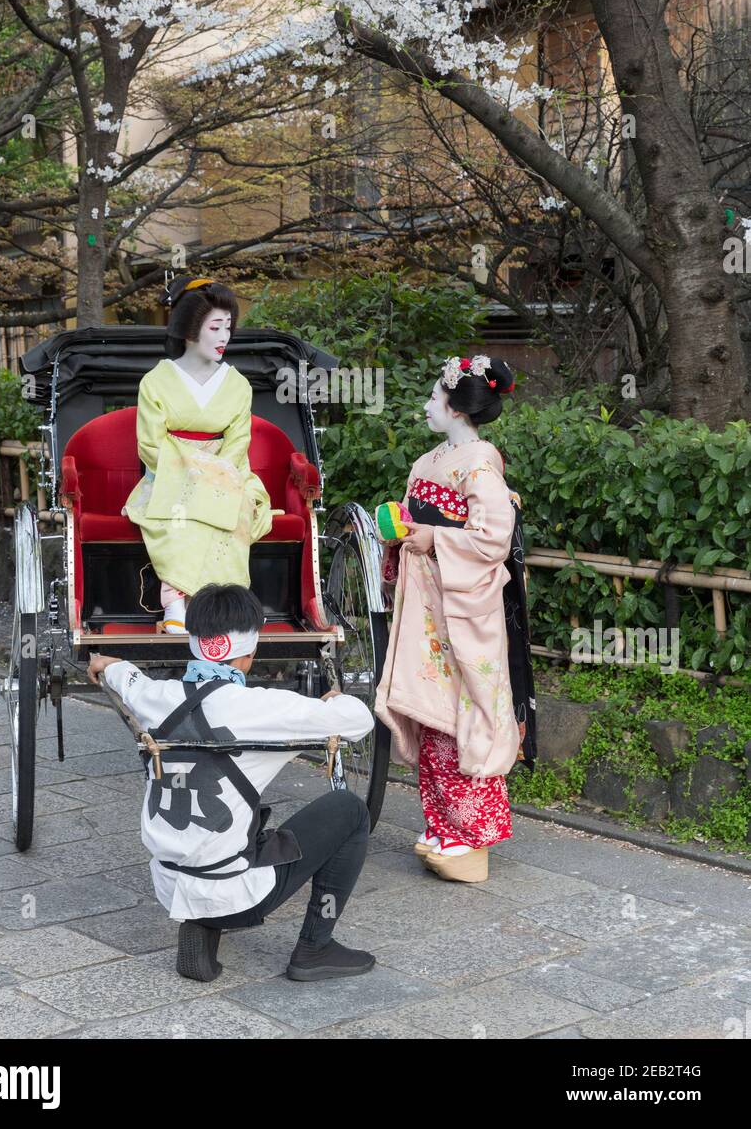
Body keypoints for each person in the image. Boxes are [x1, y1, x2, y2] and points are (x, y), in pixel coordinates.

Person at [87, 583, 377, 983]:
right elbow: (359, 721)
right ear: (250, 652)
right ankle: (315, 947)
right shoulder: (265, 707)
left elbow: (126, 678)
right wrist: (331, 702)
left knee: (240, 812)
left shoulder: (154, 695)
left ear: (192, 642)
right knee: (348, 810)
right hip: (235, 893)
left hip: (168, 886)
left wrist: (107, 663)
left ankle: (202, 925)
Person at [375, 353, 530, 884]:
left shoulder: (480, 464)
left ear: (456, 408)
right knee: (430, 713)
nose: (425, 406)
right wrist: (398, 539)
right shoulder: (426, 463)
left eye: (432, 398)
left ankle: (468, 836)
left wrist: (434, 537)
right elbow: (412, 520)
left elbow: (493, 539)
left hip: (461, 605)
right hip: (425, 600)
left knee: (464, 717)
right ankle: (441, 824)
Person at [122, 276, 272, 632]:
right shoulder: (156, 382)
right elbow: (150, 443)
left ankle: (221, 610)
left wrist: (213, 475)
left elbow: (238, 441)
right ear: (191, 329)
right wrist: (187, 474)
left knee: (231, 508)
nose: (224, 337)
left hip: (227, 473)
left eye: (228, 328)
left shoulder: (237, 385)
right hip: (169, 475)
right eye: (215, 327)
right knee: (181, 511)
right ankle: (175, 602)